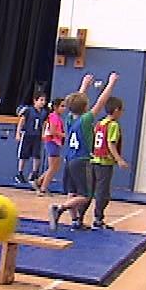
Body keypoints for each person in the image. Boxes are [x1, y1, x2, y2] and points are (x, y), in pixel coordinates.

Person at [46, 73, 116, 229]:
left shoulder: (70, 118)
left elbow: (75, 102)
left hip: (69, 159)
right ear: (85, 107)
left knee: (72, 191)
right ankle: (60, 209)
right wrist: (110, 84)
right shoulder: (86, 120)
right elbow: (101, 101)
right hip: (81, 160)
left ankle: (75, 221)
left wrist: (84, 85)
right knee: (85, 195)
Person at [84, 96, 128, 231]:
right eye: (121, 110)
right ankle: (98, 219)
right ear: (116, 110)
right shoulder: (113, 125)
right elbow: (111, 143)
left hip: (93, 160)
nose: (121, 113)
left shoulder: (99, 123)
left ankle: (79, 217)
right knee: (103, 192)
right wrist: (119, 159)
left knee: (89, 191)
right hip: (104, 162)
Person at [15, 92, 48, 187]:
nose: (43, 102)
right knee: (23, 155)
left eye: (44, 100)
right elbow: (22, 121)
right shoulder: (28, 110)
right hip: (27, 134)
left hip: (37, 135)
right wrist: (18, 133)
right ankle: (20, 173)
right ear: (35, 100)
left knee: (36, 155)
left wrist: (43, 134)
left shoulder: (44, 112)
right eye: (41, 100)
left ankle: (34, 173)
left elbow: (44, 124)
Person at [36, 92, 65, 196]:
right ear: (55, 107)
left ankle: (39, 181)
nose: (64, 108)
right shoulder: (53, 116)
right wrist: (64, 135)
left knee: (55, 166)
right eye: (62, 106)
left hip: (55, 143)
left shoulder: (56, 117)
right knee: (53, 167)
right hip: (52, 142)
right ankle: (43, 188)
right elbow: (52, 131)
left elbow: (45, 126)